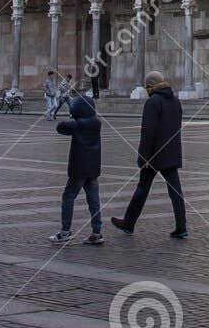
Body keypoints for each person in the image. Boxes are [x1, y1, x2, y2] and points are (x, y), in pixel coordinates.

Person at [112, 71, 188, 240]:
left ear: (150, 86)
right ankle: (181, 226)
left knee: (142, 189)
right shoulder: (175, 101)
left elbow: (148, 132)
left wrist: (144, 157)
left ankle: (129, 223)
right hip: (171, 152)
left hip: (154, 155)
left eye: (147, 87)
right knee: (175, 191)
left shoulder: (153, 102)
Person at [49, 94, 103, 246]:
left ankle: (65, 232)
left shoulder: (78, 124)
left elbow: (60, 127)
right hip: (93, 168)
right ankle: (97, 232)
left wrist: (73, 115)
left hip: (79, 168)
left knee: (68, 197)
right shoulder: (96, 122)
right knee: (94, 200)